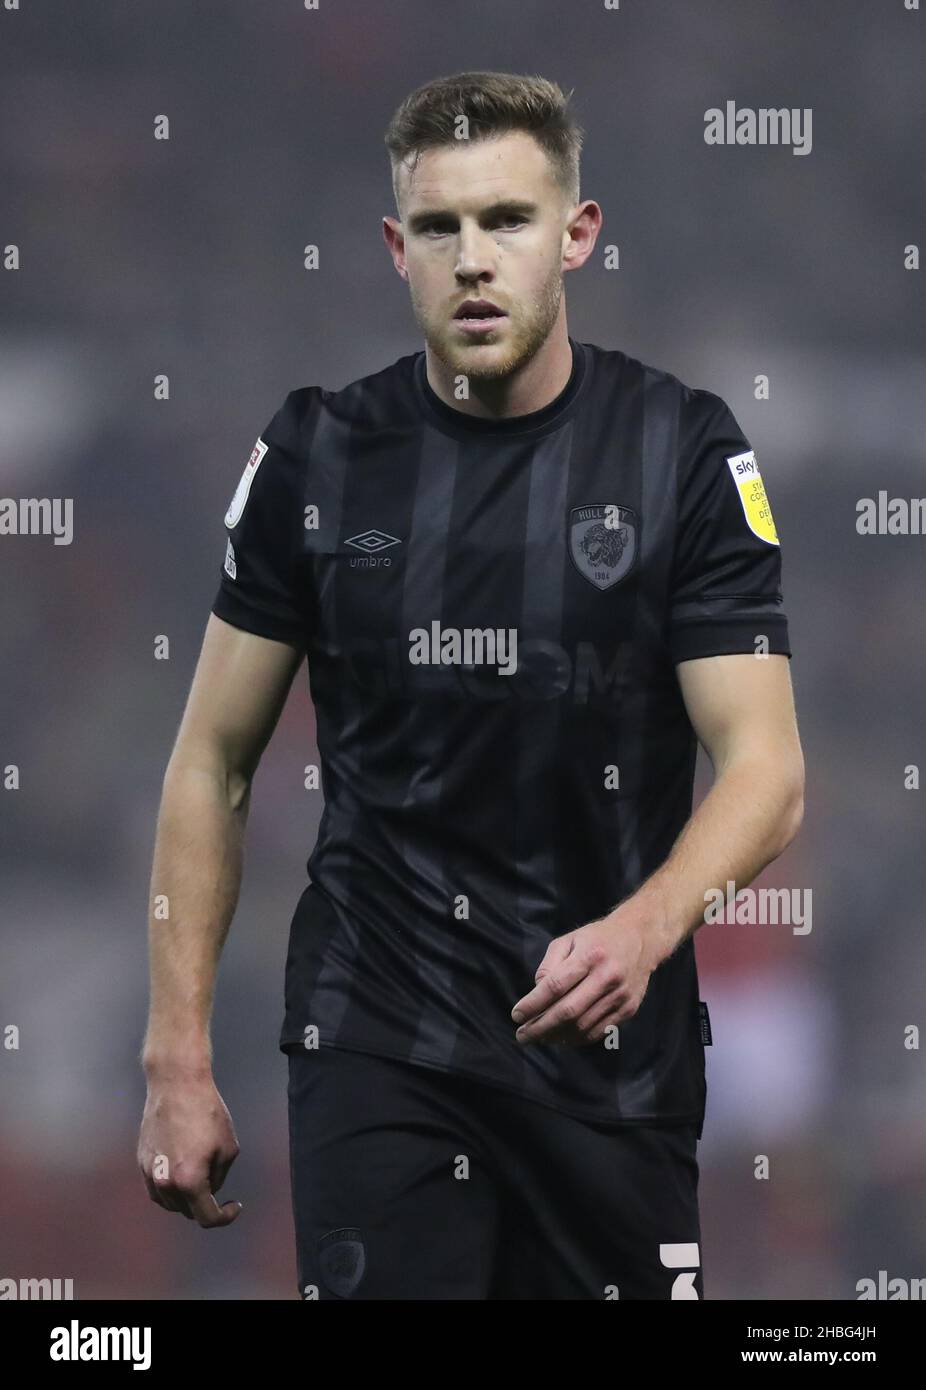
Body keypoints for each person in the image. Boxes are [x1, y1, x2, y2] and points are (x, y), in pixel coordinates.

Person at [138, 70, 804, 1300]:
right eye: (439, 228)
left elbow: (765, 769)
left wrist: (644, 927)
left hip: (610, 1066)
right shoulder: (314, 456)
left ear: (577, 233)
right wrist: (175, 1054)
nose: (473, 259)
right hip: (378, 1041)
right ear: (397, 249)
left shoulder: (684, 454)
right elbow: (211, 761)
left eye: (507, 220)